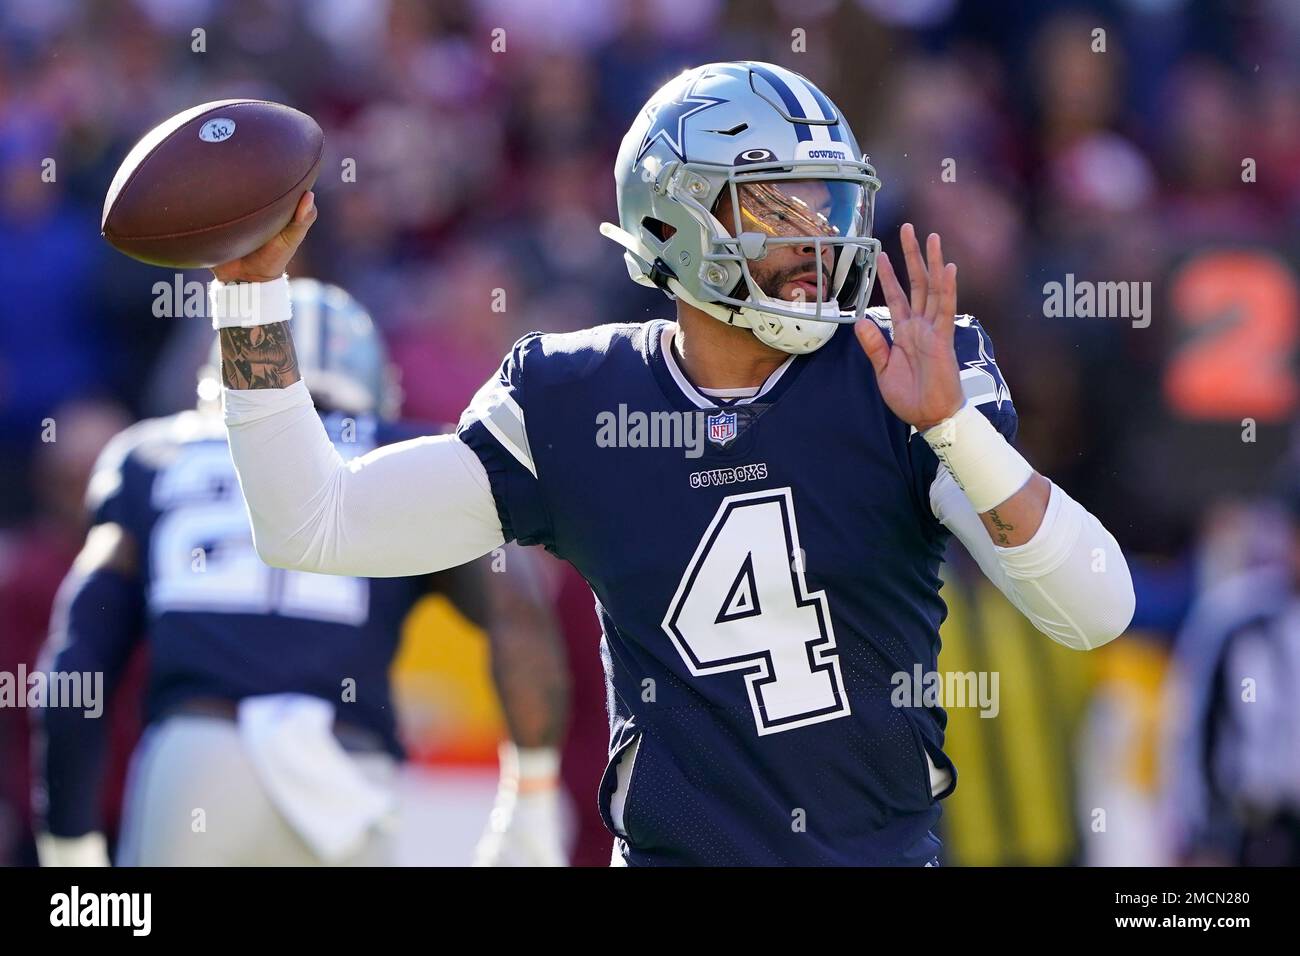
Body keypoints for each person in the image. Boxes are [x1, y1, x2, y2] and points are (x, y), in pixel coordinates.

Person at [211, 62, 1134, 866]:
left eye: (829, 201)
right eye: (777, 204)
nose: (817, 236)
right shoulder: (575, 399)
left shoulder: (898, 374)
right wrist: (251, 306)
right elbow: (312, 525)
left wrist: (953, 431)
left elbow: (1098, 614)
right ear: (676, 215)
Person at [33, 279, 569, 866]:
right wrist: (533, 797)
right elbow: (517, 609)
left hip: (198, 761)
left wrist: (69, 845)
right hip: (344, 780)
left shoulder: (152, 455)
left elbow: (76, 665)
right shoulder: (414, 453)